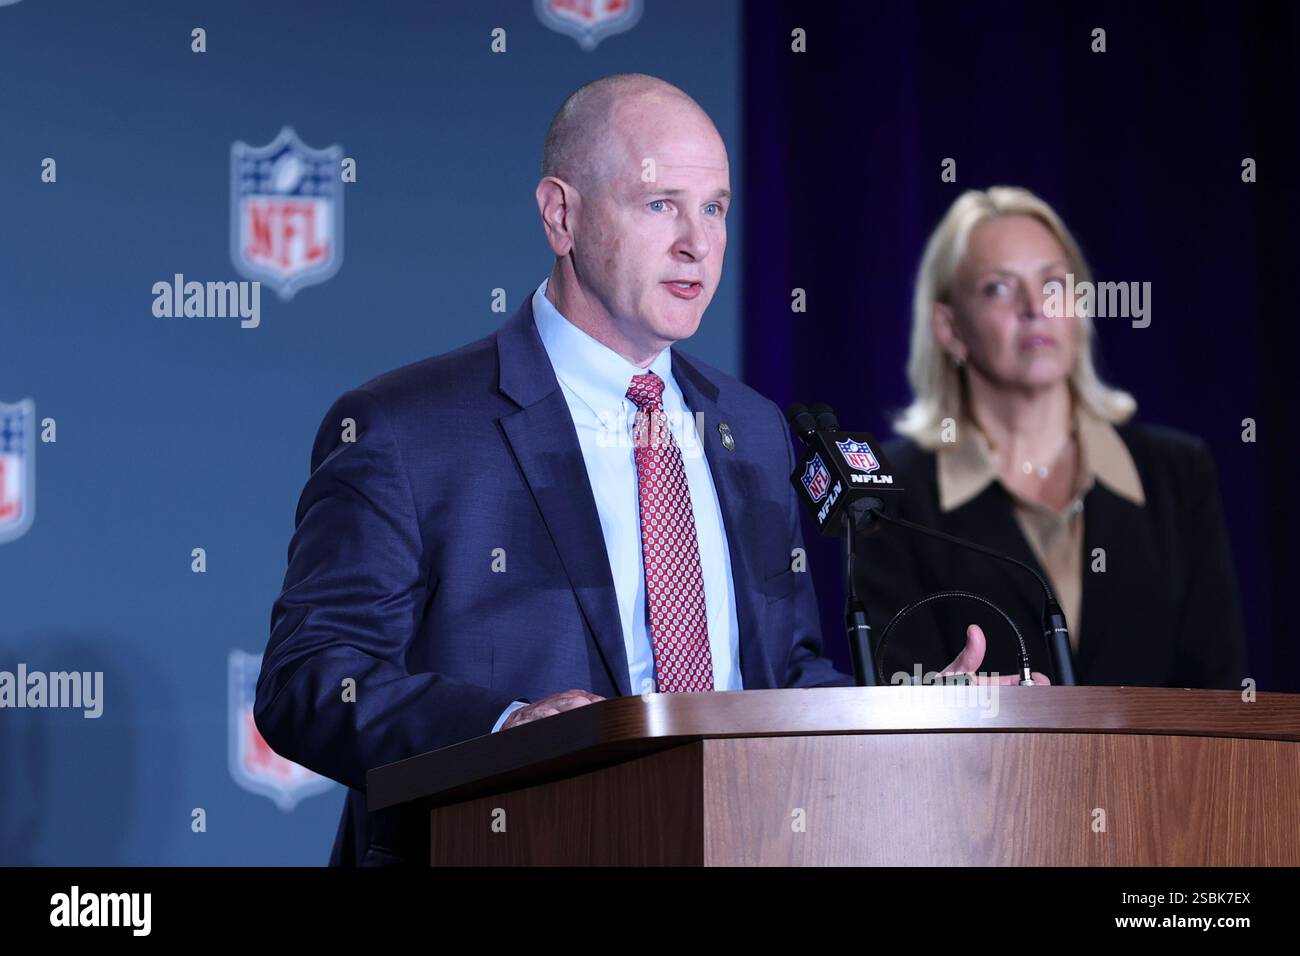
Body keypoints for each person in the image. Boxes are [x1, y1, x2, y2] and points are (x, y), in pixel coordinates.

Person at [858, 186, 1247, 689]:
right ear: (950, 327)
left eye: (1053, 284)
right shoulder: (889, 496)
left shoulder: (1175, 473)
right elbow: (895, 699)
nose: (1034, 308)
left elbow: (1220, 693)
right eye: (999, 287)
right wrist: (939, 702)